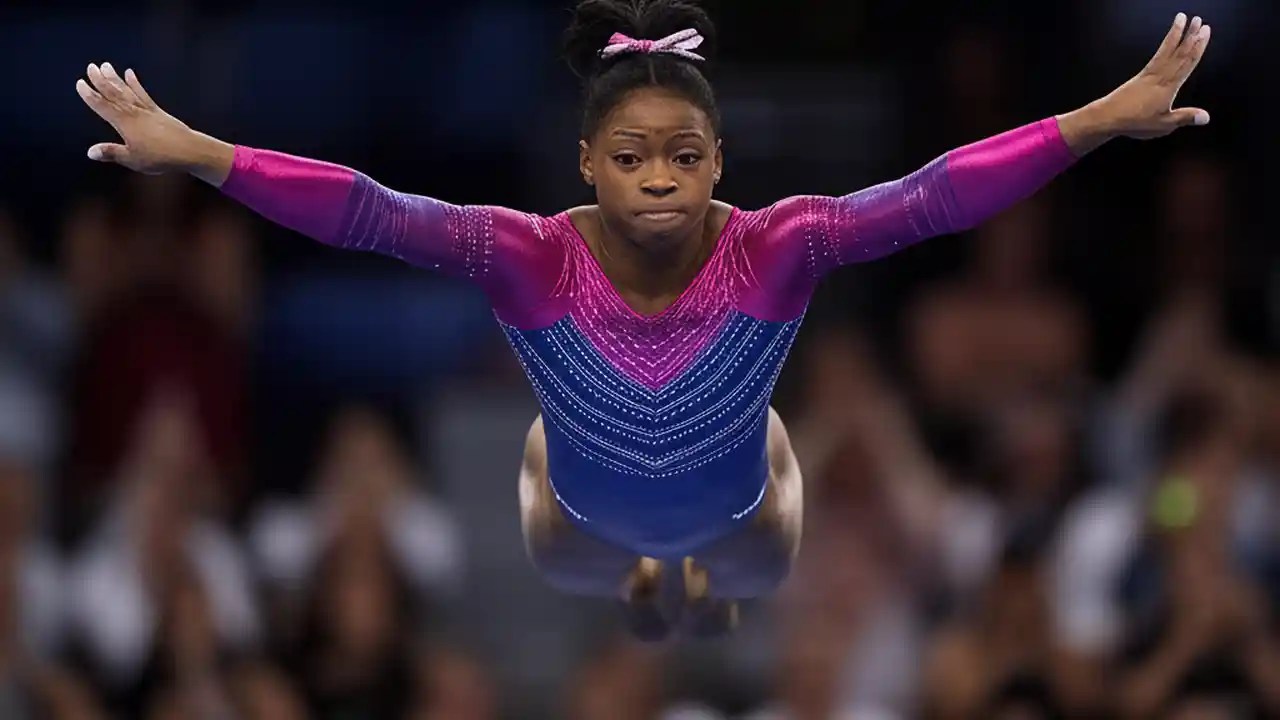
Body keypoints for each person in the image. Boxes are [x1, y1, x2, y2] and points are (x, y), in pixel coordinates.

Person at [75, 0, 1213, 639]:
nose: (657, 179)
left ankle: (700, 541)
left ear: (720, 158)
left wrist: (1096, 119)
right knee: (584, 562)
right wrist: (201, 153)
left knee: (754, 567)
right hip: (571, 512)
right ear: (585, 163)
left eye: (682, 156)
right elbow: (367, 211)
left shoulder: (782, 245)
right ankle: (649, 555)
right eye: (628, 157)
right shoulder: (524, 255)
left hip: (740, 511)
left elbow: (930, 195)